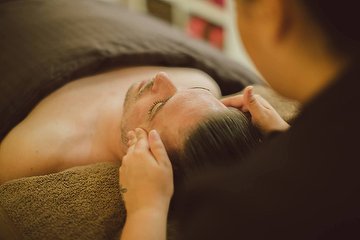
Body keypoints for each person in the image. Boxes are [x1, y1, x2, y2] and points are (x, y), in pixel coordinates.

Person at [118, 0, 360, 239]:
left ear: (271, 12)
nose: (161, 76)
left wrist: (146, 210)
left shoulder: (234, 213)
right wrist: (282, 134)